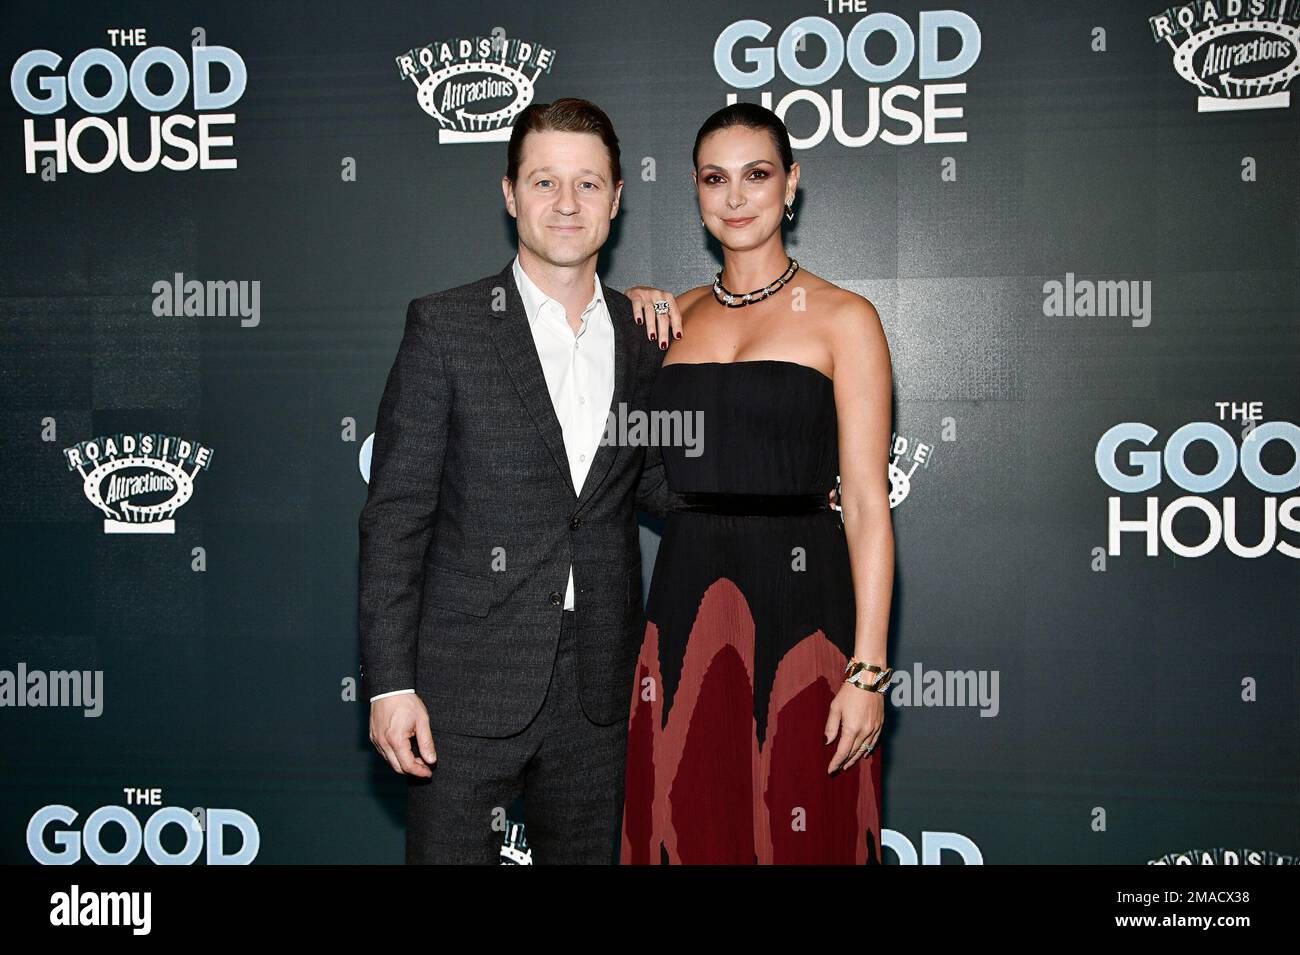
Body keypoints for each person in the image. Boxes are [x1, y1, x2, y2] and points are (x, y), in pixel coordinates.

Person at [357, 97, 677, 864]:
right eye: (544, 181)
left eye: (588, 183)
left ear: (616, 198)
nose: (567, 202)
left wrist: (801, 491)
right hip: (463, 688)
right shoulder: (446, 326)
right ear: (510, 194)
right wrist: (390, 683)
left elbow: (661, 483)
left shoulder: (644, 338)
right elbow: (396, 515)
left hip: (598, 689)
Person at [618, 103, 896, 864]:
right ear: (696, 191)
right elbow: (622, 458)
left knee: (802, 821)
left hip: (804, 604)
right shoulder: (665, 320)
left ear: (791, 184)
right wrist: (626, 312)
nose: (736, 197)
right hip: (685, 598)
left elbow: (866, 503)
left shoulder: (846, 318)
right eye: (716, 179)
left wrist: (869, 671)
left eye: (757, 175)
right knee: (688, 814)